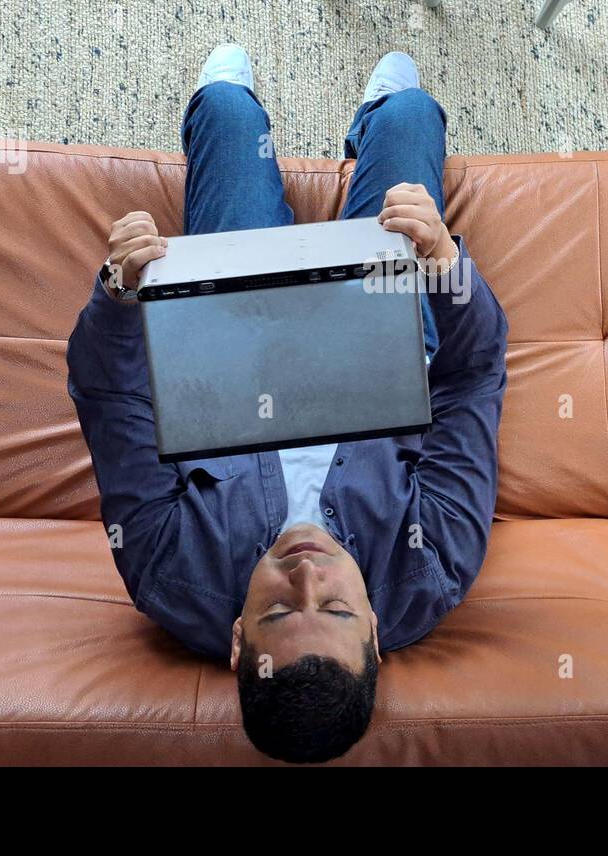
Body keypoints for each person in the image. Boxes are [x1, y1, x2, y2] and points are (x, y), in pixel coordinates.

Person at [66, 47, 508, 763]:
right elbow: (475, 378)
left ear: (238, 641)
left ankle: (238, 110)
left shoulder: (168, 576)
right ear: (373, 633)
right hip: (379, 331)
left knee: (227, 109)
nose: (308, 571)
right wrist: (447, 272)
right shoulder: (433, 570)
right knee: (410, 113)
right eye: (336, 605)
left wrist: (118, 292)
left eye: (277, 608)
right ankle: (373, 124)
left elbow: (111, 398)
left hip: (238, 335)